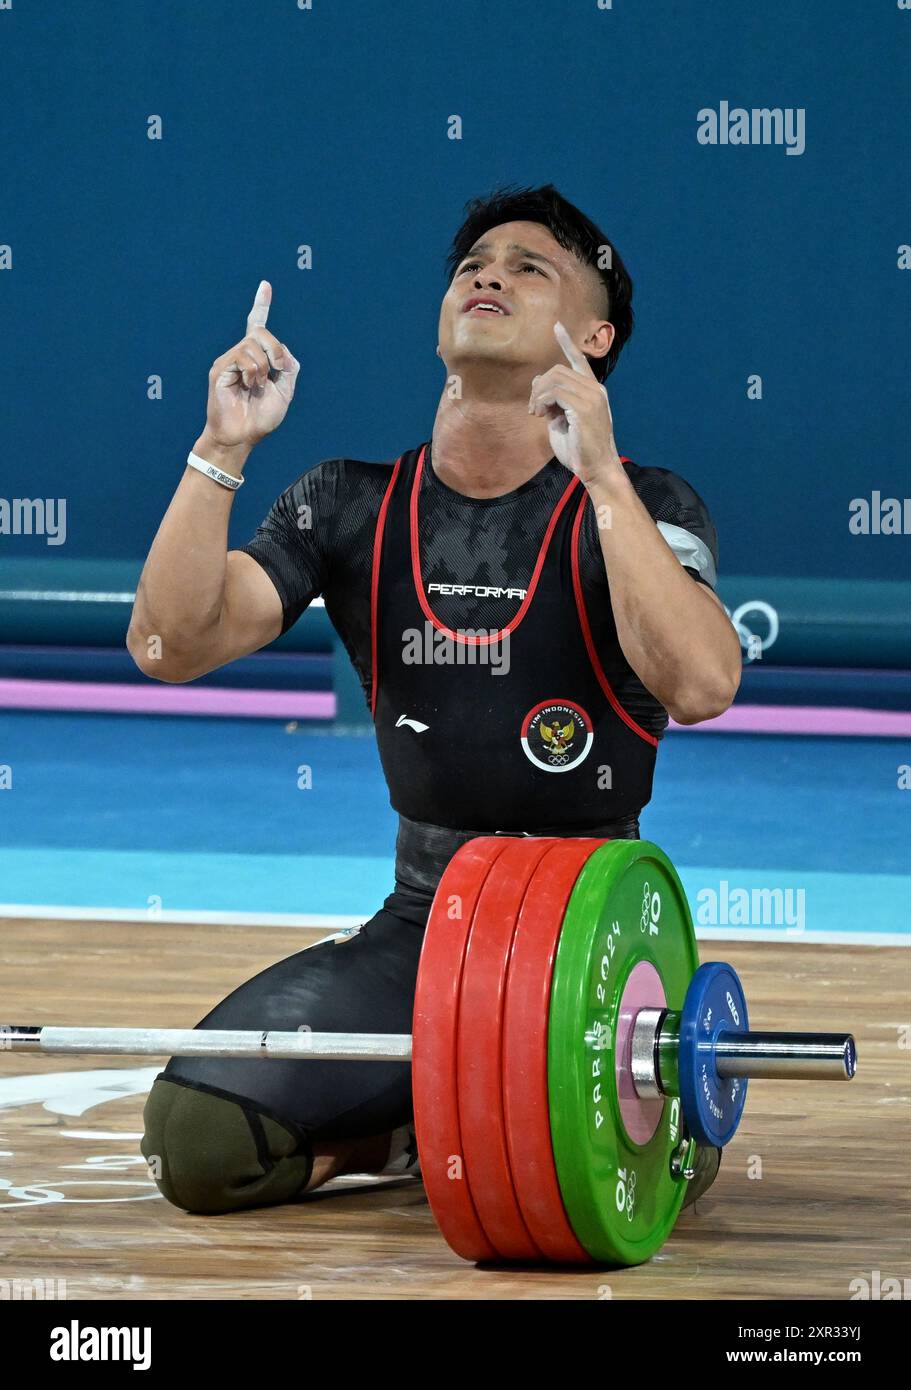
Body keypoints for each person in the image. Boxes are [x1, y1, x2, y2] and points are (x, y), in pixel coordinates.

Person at [127, 184, 740, 1222]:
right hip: (426, 927)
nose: (487, 272)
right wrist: (221, 449)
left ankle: (476, 1109)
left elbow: (702, 683)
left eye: (528, 265)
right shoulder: (343, 501)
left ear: (592, 336)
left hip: (587, 945)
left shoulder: (648, 502)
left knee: (598, 1172)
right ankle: (415, 1131)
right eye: (473, 263)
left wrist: (599, 482)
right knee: (198, 1144)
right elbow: (168, 644)